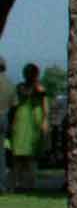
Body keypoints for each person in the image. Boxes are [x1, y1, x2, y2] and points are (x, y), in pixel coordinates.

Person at [7, 65, 48, 193]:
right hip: (27, 121)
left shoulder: (36, 89)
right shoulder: (25, 88)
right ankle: (22, 183)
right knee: (24, 157)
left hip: (28, 121)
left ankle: (22, 183)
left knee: (26, 157)